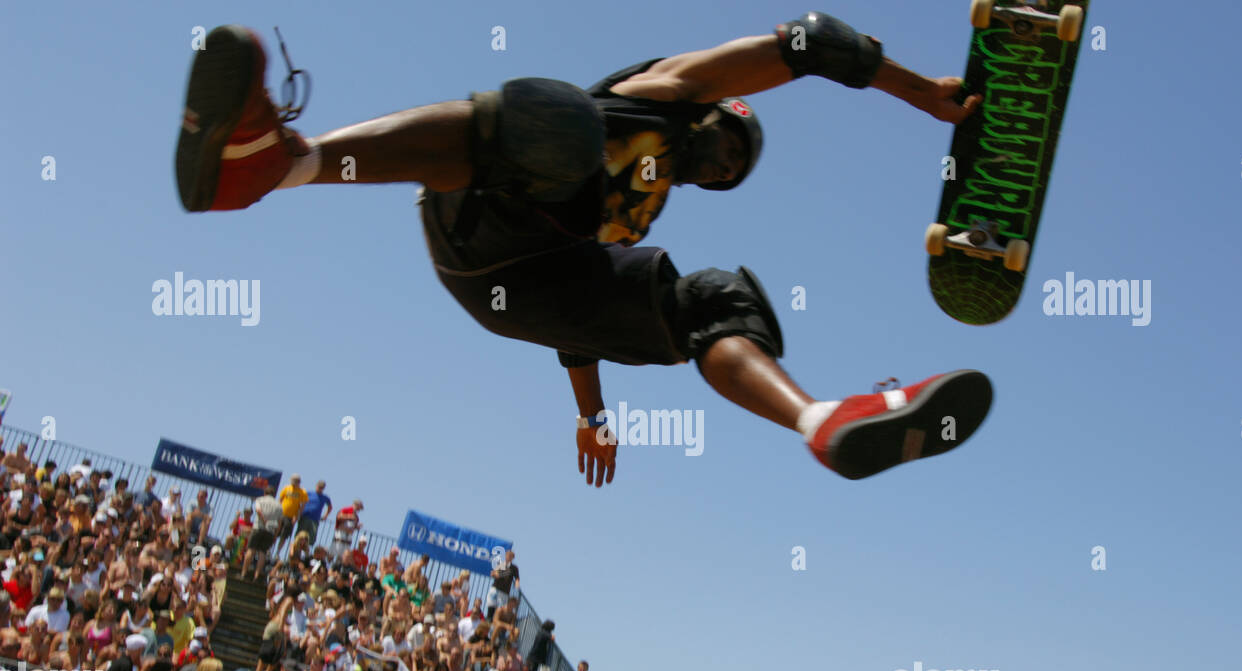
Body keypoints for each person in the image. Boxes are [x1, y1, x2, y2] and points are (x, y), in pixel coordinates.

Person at [174, 16, 993, 488]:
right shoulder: (668, 94)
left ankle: (819, 420)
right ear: (718, 114)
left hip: (524, 284)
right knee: (562, 126)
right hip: (483, 215)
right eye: (726, 148)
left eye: (727, 177)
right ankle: (281, 165)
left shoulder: (642, 209)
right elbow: (806, 44)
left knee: (708, 296)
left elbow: (580, 316)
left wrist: (593, 417)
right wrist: (923, 96)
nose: (717, 167)